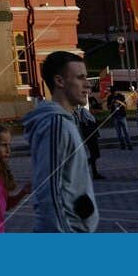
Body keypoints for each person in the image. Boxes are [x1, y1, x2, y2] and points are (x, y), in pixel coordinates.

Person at [24, 50, 99, 233]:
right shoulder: (55, 124)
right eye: (80, 78)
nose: (87, 85)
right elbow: (48, 188)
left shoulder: (64, 121)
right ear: (59, 81)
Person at [75, 101, 104, 180]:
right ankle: (85, 166)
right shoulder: (83, 111)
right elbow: (87, 121)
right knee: (95, 154)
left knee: (94, 155)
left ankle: (94, 172)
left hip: (90, 135)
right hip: (90, 135)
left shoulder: (83, 111)